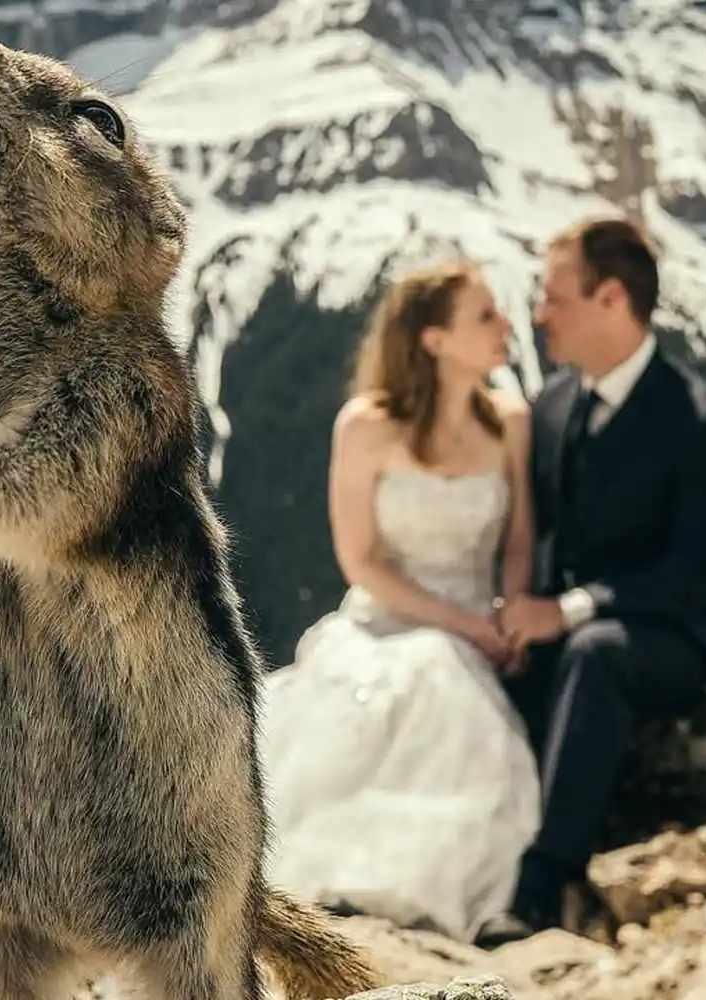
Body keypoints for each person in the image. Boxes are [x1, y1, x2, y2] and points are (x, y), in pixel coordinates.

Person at [481, 217, 706, 943]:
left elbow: (698, 574)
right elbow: (539, 537)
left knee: (594, 653)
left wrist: (566, 611)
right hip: (577, 631)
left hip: (677, 636)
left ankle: (542, 888)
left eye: (553, 297)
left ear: (611, 299)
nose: (538, 314)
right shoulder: (555, 407)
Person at [256, 258, 543, 945]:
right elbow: (360, 560)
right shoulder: (365, 425)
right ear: (433, 340)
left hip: (480, 625)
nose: (507, 325)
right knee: (410, 683)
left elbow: (520, 539)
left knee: (448, 702)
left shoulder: (510, 421)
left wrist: (509, 611)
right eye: (485, 316)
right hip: (384, 621)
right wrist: (463, 627)